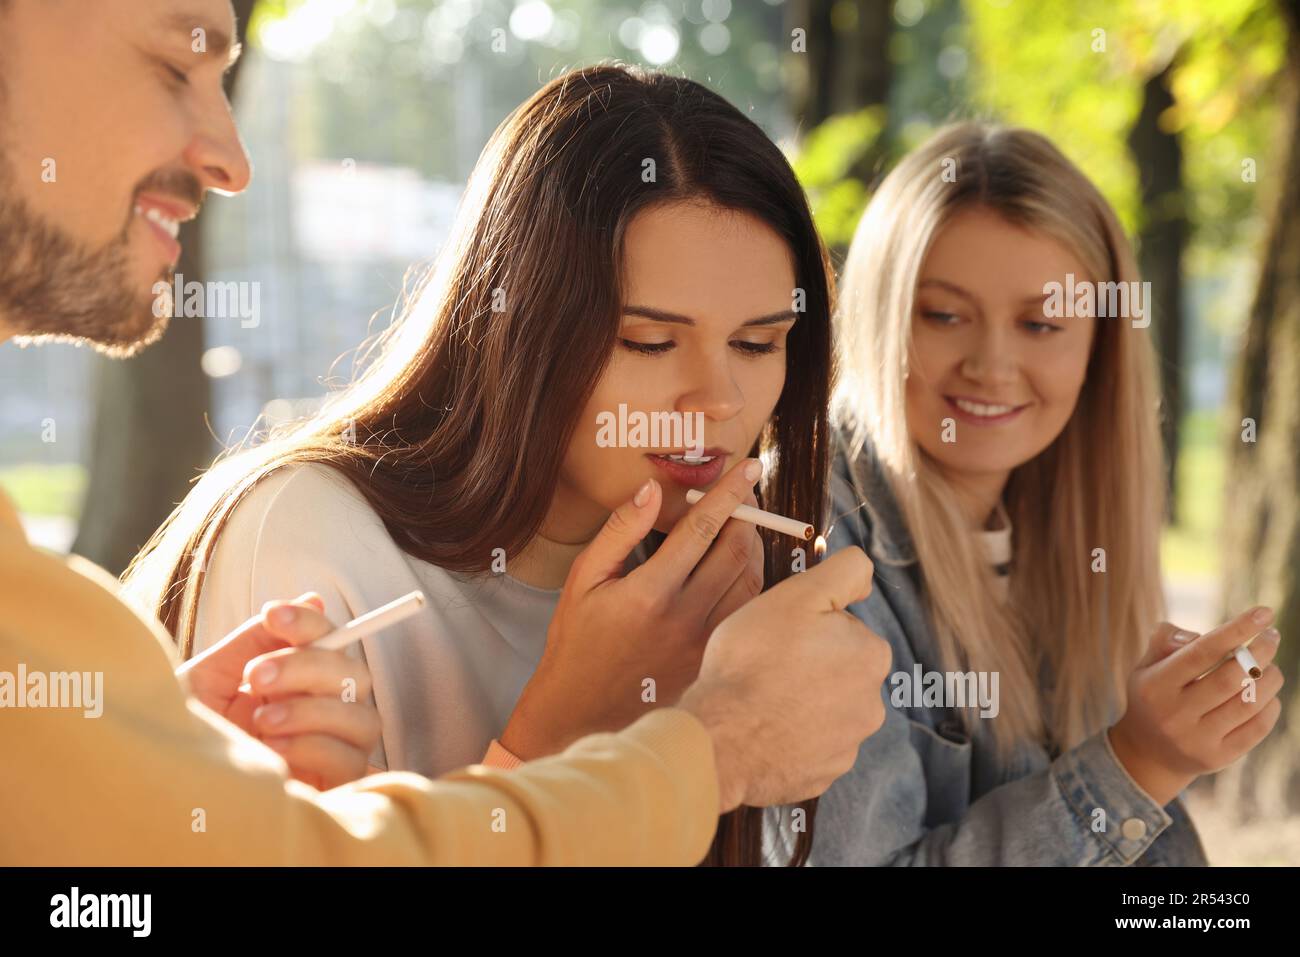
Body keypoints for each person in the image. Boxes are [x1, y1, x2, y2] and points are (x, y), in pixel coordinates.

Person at [0, 0, 891, 866]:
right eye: (649, 341)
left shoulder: (748, 587)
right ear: (520, 325)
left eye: (760, 343)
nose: (720, 401)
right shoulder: (311, 545)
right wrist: (661, 739)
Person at [805, 122, 1282, 866]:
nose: (993, 366)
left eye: (1041, 323)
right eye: (945, 314)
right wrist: (1135, 767)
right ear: (880, 313)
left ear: (1099, 347)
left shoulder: (1071, 528)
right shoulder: (815, 546)